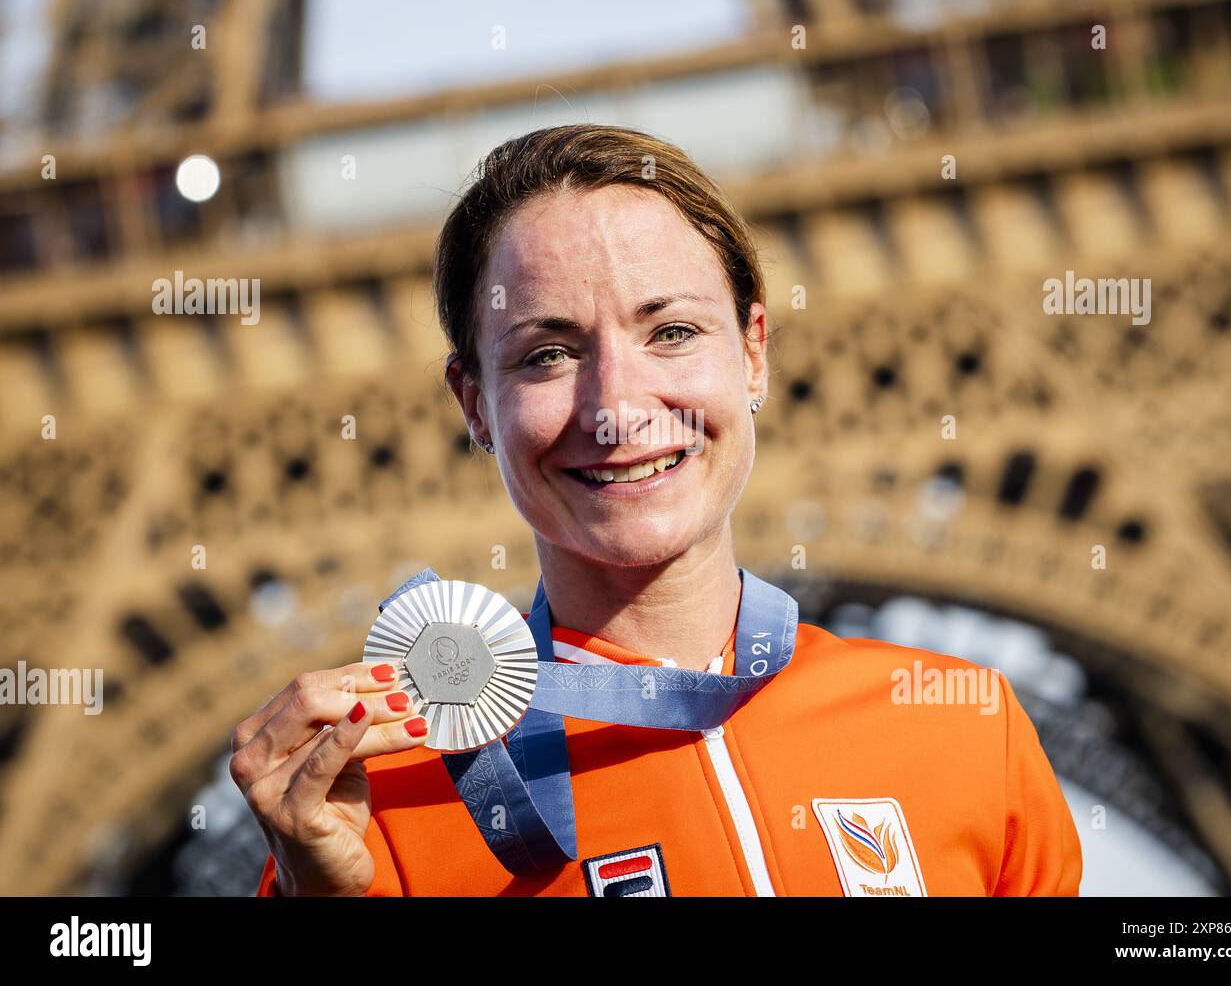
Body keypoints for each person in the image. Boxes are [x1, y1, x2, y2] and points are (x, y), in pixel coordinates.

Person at [231, 123, 1083, 897]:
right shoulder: (379, 821)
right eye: (548, 354)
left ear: (753, 353)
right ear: (476, 405)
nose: (617, 407)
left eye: (670, 332)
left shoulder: (969, 728)